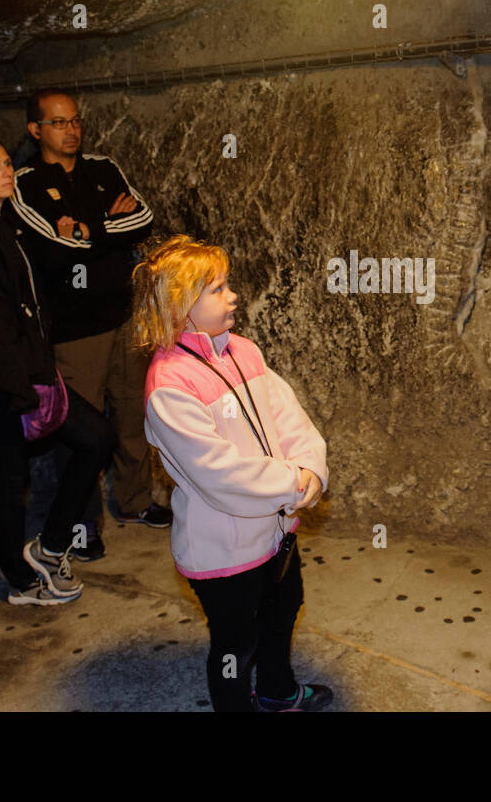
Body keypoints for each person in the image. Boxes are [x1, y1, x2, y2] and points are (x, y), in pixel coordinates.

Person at [136, 235, 333, 712]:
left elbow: (288, 416)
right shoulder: (170, 385)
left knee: (283, 613)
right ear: (182, 305)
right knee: (235, 645)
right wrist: (291, 483)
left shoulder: (243, 350)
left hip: (274, 528)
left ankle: (277, 690)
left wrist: (310, 467)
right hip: (222, 546)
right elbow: (218, 472)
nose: (233, 297)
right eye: (218, 289)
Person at [0, 139, 114, 605]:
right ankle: (20, 581)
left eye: (8, 162)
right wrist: (19, 389)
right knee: (8, 477)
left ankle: (51, 545)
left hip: (24, 371)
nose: (6, 171)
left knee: (96, 436)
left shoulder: (5, 223)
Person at [9, 89, 164, 562]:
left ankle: (135, 502)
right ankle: (81, 527)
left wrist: (84, 229)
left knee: (133, 415)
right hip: (75, 331)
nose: (71, 130)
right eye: (58, 123)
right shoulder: (25, 182)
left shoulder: (105, 168)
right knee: (82, 431)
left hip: (125, 316)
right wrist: (102, 232)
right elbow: (52, 248)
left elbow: (142, 219)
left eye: (75, 121)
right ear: (36, 130)